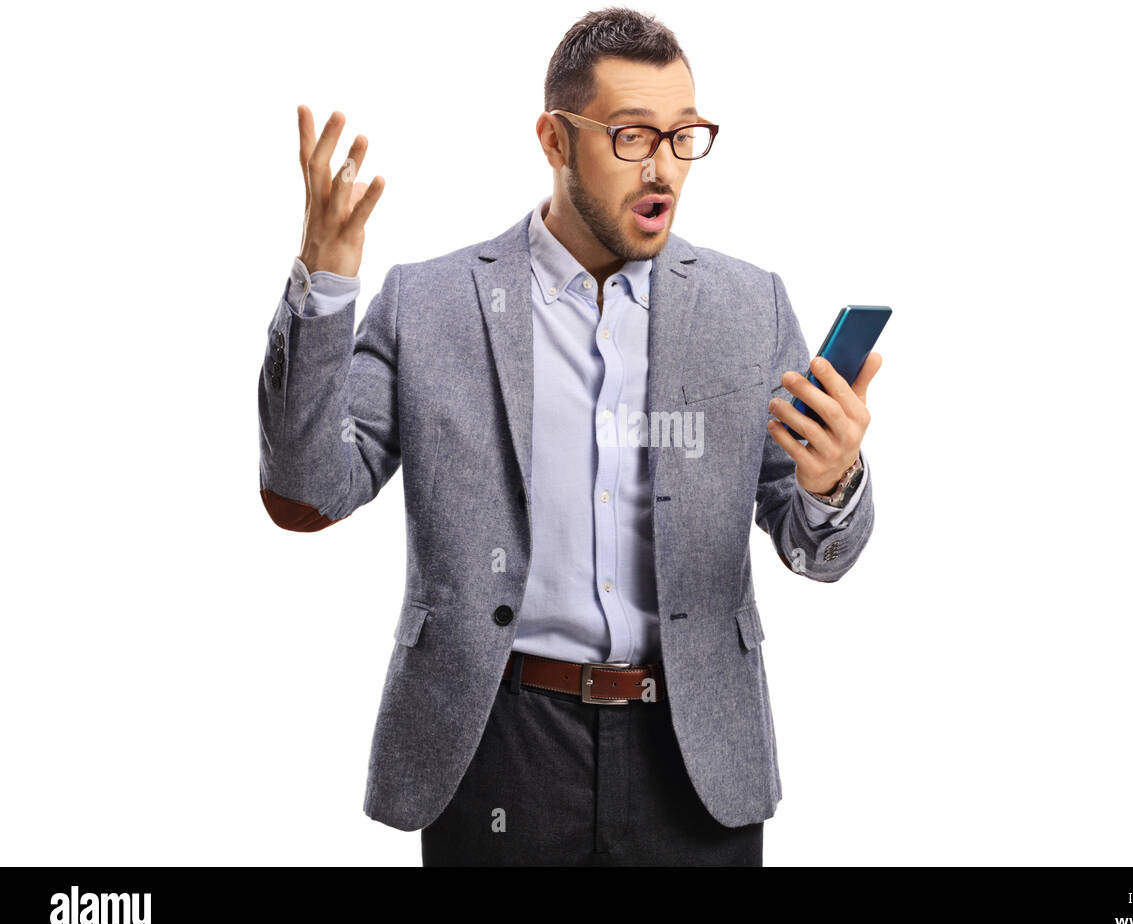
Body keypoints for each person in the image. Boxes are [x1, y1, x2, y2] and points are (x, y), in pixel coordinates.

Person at [257, 7, 881, 866]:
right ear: (554, 139)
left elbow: (821, 554)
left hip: (695, 754)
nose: (664, 167)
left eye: (685, 136)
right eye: (631, 137)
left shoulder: (751, 307)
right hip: (497, 743)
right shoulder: (430, 304)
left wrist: (831, 482)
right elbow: (305, 491)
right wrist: (324, 288)